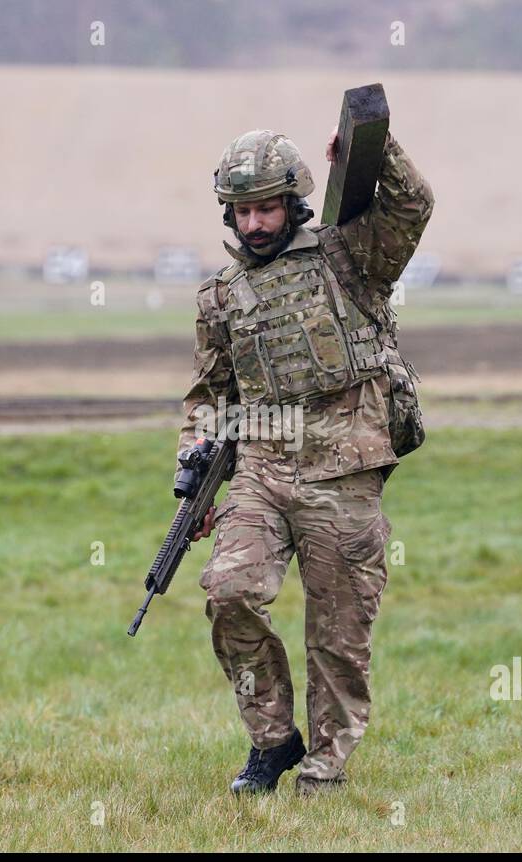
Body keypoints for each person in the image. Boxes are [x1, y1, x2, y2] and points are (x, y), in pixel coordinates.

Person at [177, 123, 433, 796]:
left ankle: (327, 762)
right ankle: (272, 740)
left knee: (338, 633)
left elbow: (413, 207)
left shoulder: (352, 258)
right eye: (242, 210)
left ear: (295, 203)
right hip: (260, 470)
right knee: (229, 593)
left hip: (344, 470)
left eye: (267, 207)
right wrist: (195, 460)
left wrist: (375, 148)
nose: (255, 223)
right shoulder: (221, 297)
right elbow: (208, 396)